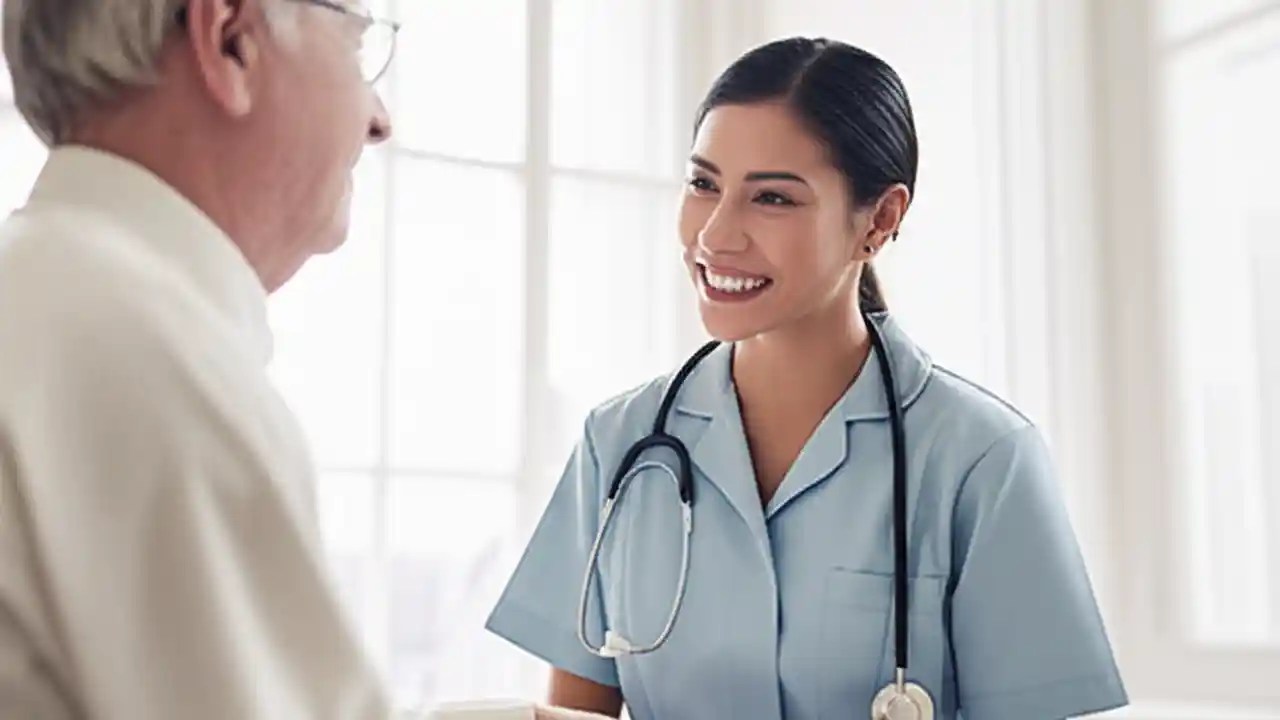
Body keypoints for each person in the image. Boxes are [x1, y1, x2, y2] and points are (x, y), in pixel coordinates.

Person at [485, 38, 1129, 720]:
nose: (716, 237)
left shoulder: (983, 459)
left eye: (772, 198)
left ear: (880, 219)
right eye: (704, 185)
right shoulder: (618, 442)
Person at [0, 0, 399, 717]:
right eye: (356, 44)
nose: (379, 119)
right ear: (231, 40)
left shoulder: (42, 294)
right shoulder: (135, 348)